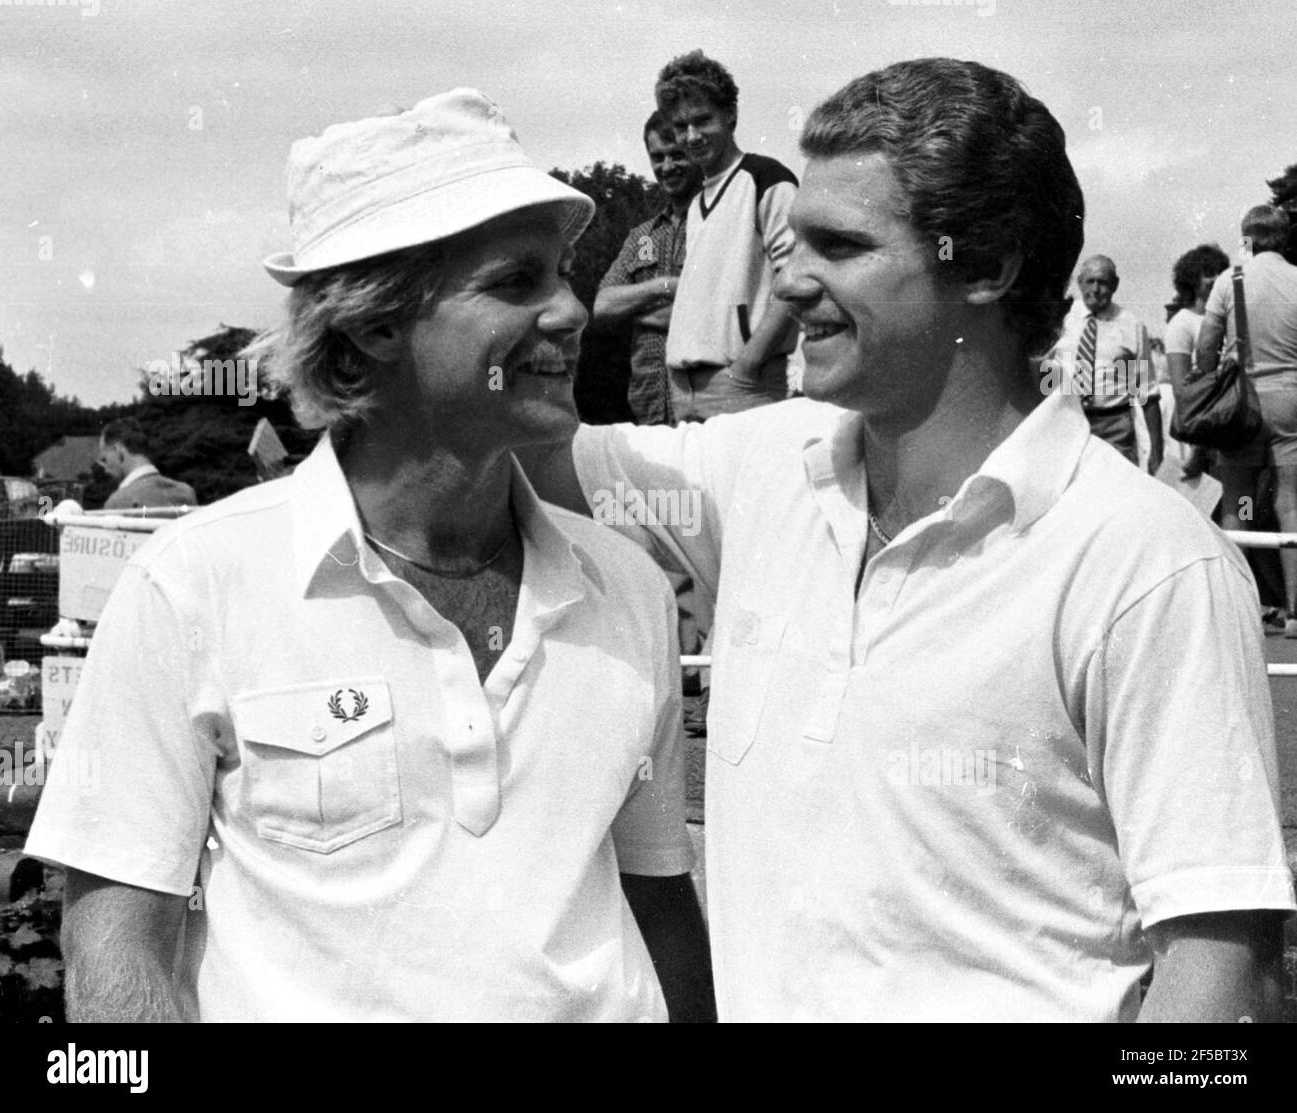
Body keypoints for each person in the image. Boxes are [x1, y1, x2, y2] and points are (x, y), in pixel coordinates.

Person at [521, 58, 1295, 1021]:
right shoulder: (762, 467)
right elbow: (524, 455)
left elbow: (1224, 969)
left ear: (987, 266)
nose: (791, 282)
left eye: (839, 247)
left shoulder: (1145, 561)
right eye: (794, 241)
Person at [26, 90, 713, 1022]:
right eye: (518, 281)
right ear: (374, 325)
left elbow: (658, 901)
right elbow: (115, 953)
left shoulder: (624, 586)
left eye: (564, 274)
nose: (573, 310)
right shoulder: (194, 585)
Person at [656, 50, 800, 421]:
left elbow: (795, 280)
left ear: (730, 115)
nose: (691, 135)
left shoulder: (766, 179)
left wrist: (748, 365)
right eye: (680, 125)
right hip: (682, 385)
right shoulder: (694, 204)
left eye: (703, 120)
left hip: (741, 383)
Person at [1198, 205, 1297, 637]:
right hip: (1290, 400)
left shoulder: (1230, 281)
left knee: (1241, 501)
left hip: (1243, 405)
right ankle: (1295, 610)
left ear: (1246, 240)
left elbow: (1206, 348)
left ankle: (1239, 605)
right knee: (1291, 503)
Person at [594, 112, 701, 426]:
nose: (667, 167)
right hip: (649, 405)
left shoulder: (719, 223)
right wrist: (664, 286)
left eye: (677, 156)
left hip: (706, 406)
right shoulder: (643, 236)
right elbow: (602, 305)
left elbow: (721, 309)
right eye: (658, 158)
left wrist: (636, 314)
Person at [1051, 255, 1164, 473]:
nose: (1095, 289)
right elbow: (1042, 375)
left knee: (1115, 494)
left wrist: (1156, 453)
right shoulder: (1061, 318)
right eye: (1090, 281)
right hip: (1067, 422)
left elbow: (1147, 392)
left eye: (1102, 282)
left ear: (1115, 285)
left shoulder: (1131, 325)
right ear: (1079, 282)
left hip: (1115, 427)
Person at [1164, 243, 1231, 480]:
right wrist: (1198, 448)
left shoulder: (1230, 319)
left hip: (1232, 423)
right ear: (1192, 280)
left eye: (1219, 273)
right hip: (1204, 435)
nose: (1215, 279)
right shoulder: (1182, 323)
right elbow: (1183, 392)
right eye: (1208, 273)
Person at [97, 418, 197, 510]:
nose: (106, 470)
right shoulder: (187, 493)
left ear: (117, 451)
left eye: (105, 459)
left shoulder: (117, 503)